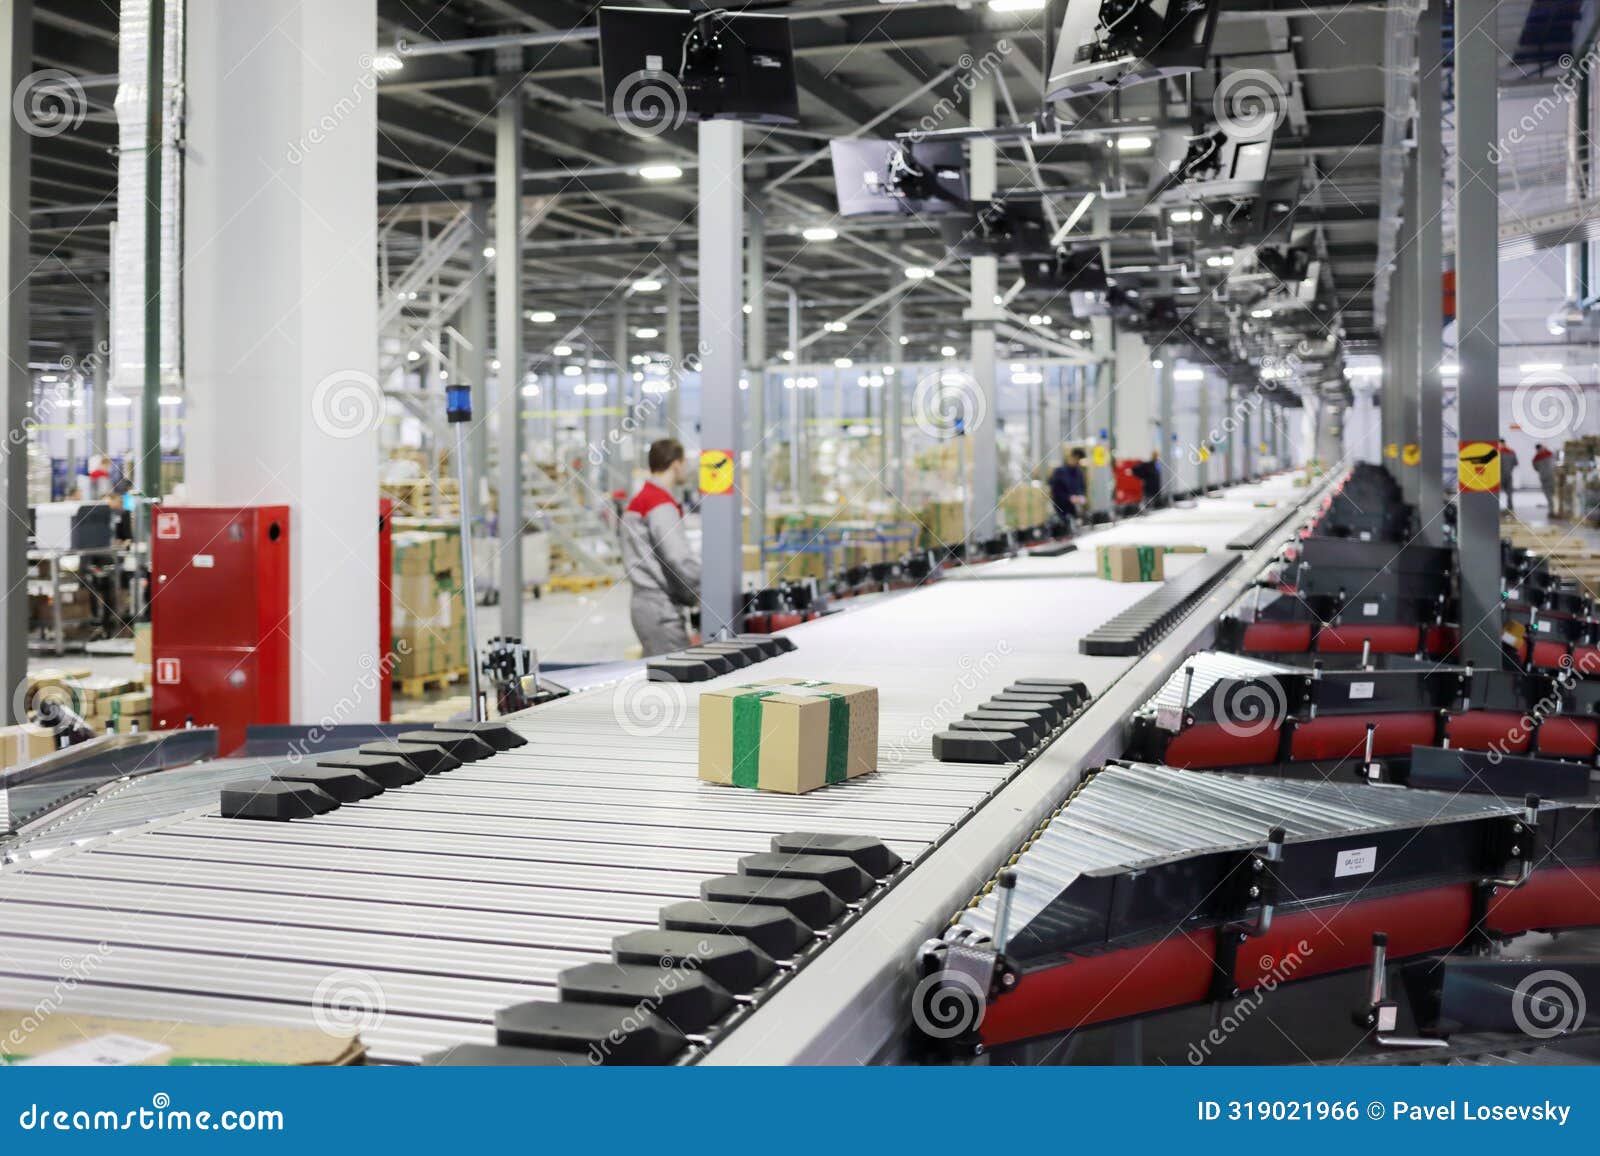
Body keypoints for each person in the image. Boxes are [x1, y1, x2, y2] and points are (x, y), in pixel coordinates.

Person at [620, 438, 702, 656]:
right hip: (660, 608)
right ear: (676, 464)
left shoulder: (640, 500)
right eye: (684, 463)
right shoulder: (659, 503)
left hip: (646, 605)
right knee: (678, 679)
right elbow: (678, 558)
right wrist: (704, 588)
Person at [1048, 448, 1088, 523]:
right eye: (1077, 459)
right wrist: (1069, 498)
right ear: (1072, 457)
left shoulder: (1078, 472)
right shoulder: (1059, 472)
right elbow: (1055, 492)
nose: (1077, 462)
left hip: (1075, 510)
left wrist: (1081, 496)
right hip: (1062, 509)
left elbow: (1081, 487)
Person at [1533, 443, 1557, 512]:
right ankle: (1553, 508)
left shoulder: (1536, 458)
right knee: (1552, 492)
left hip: (1544, 477)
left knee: (1548, 493)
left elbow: (1536, 468)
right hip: (1551, 476)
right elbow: (1555, 464)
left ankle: (1552, 509)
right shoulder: (1550, 454)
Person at [1498, 439, 1518, 514]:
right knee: (1509, 492)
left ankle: (1497, 507)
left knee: (1497, 491)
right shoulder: (1512, 452)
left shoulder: (1498, 452)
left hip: (1500, 475)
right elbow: (1516, 463)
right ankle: (1510, 507)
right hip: (1509, 474)